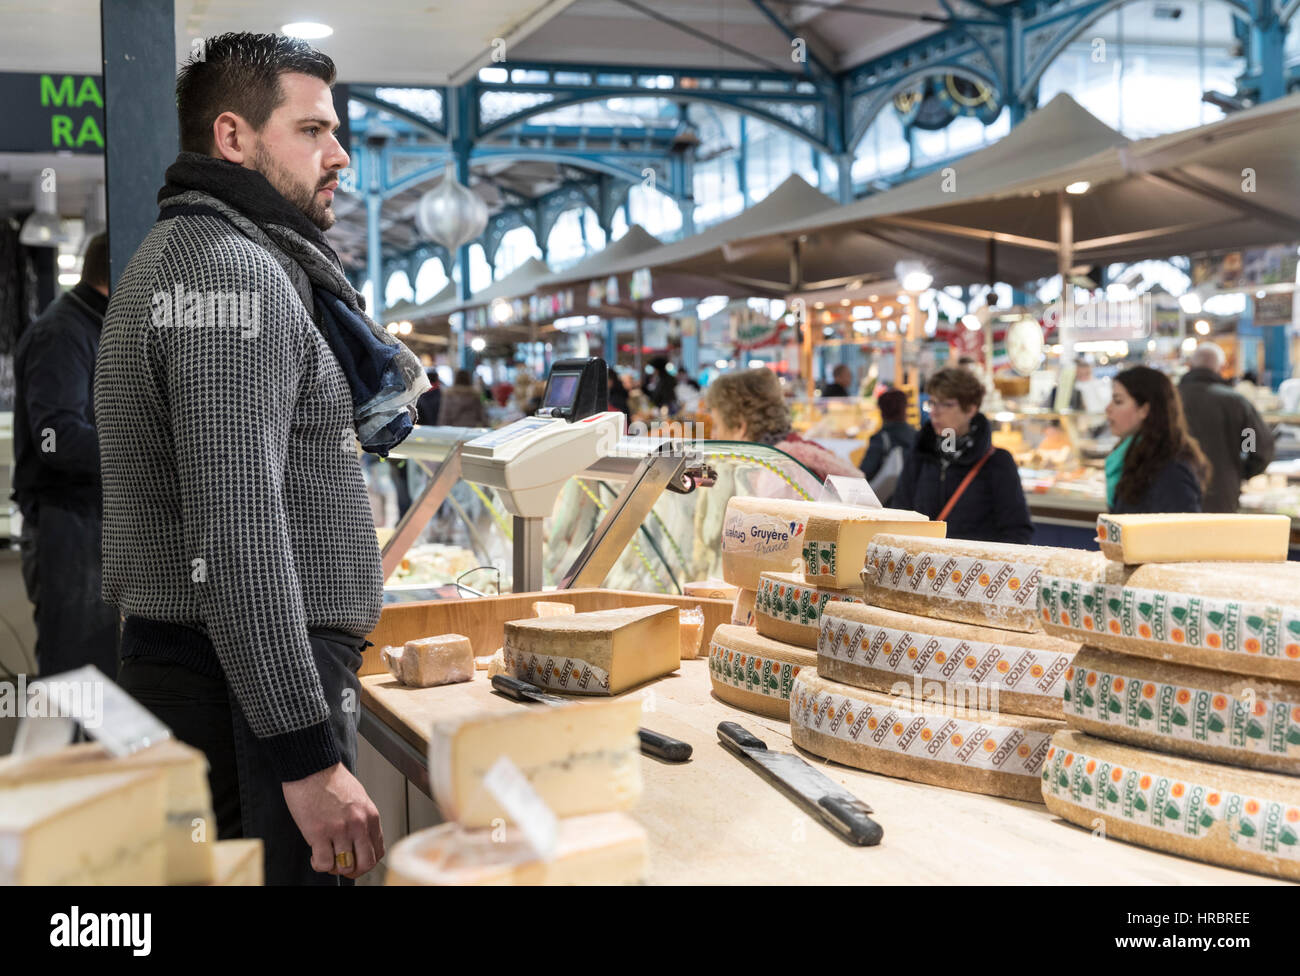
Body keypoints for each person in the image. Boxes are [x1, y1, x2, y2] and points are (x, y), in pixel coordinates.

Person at [97, 33, 431, 884]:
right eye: (313, 130)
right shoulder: (230, 276)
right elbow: (237, 535)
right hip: (242, 691)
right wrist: (307, 758)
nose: (340, 155)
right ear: (234, 138)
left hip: (230, 676)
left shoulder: (214, 259)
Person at [13, 232, 120, 678]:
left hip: (89, 527)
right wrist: (138, 449)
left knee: (99, 682)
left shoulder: (95, 327)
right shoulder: (64, 333)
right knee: (78, 682)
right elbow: (56, 438)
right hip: (69, 529)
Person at [891, 367, 1033, 543]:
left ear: (971, 409)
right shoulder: (921, 454)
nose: (935, 412)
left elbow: (1017, 531)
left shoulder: (996, 462)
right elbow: (899, 515)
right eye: (932, 403)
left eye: (946, 404)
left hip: (975, 567)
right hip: (922, 566)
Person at [704, 367, 864, 483]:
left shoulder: (771, 474)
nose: (713, 435)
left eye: (717, 426)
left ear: (740, 426)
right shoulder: (804, 454)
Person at [1178, 342, 1274, 513]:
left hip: (1171, 497)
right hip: (1222, 497)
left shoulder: (1169, 399)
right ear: (1221, 367)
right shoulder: (1236, 403)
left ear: (1190, 366)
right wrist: (1241, 471)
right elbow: (1254, 446)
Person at [1106, 365, 1208, 514]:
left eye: (1118, 401)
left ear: (1144, 410)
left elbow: (1183, 531)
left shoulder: (1172, 471)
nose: (1108, 408)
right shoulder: (1131, 457)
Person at [859, 388, 916, 504]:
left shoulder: (881, 438)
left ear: (882, 411)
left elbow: (865, 472)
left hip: (887, 503)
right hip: (912, 500)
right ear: (904, 409)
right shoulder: (917, 436)